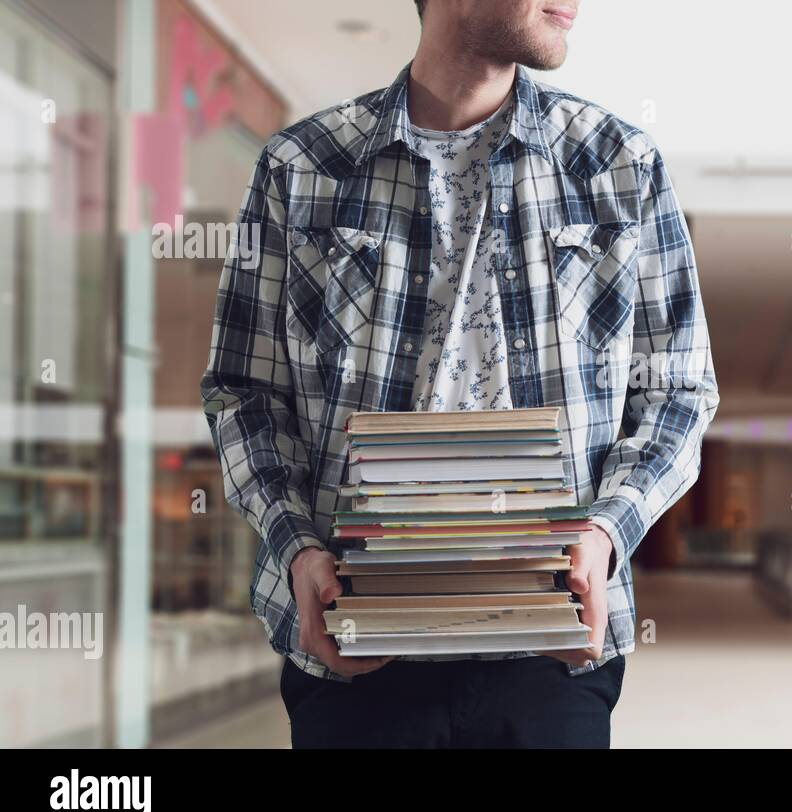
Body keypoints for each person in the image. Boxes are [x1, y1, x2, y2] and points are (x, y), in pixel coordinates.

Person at [200, 0, 717, 748]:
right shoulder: (301, 168)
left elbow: (678, 390)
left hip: (549, 656)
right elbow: (243, 390)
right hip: (354, 652)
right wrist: (298, 550)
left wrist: (605, 535)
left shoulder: (618, 164)